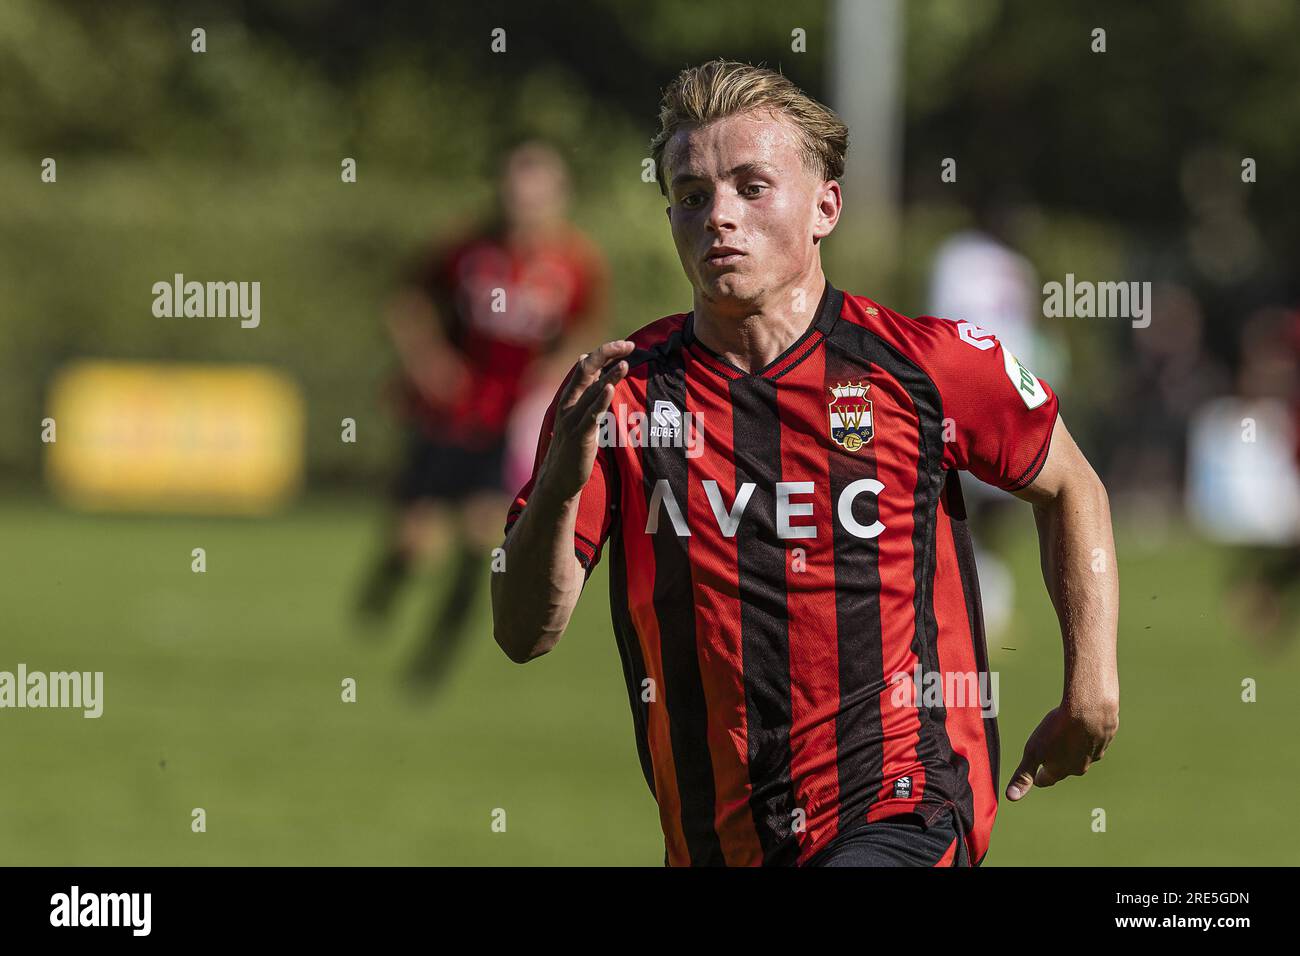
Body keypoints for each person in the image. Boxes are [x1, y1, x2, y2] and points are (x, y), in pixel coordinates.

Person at [491, 61, 1119, 866]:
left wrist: (1090, 688)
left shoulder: (922, 368)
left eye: (752, 187)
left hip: (907, 801)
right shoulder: (616, 398)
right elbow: (522, 631)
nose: (719, 216)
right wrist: (560, 485)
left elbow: (1070, 482)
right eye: (692, 195)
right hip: (718, 839)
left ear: (826, 205)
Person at [359, 138, 608, 691]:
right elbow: (409, 304)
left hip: (510, 421)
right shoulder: (466, 249)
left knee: (481, 538)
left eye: (537, 192)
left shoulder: (575, 262)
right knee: (414, 539)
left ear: (559, 198)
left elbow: (584, 331)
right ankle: (383, 588)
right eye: (515, 189)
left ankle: (435, 658)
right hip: (451, 413)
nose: (524, 202)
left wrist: (553, 377)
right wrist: (429, 362)